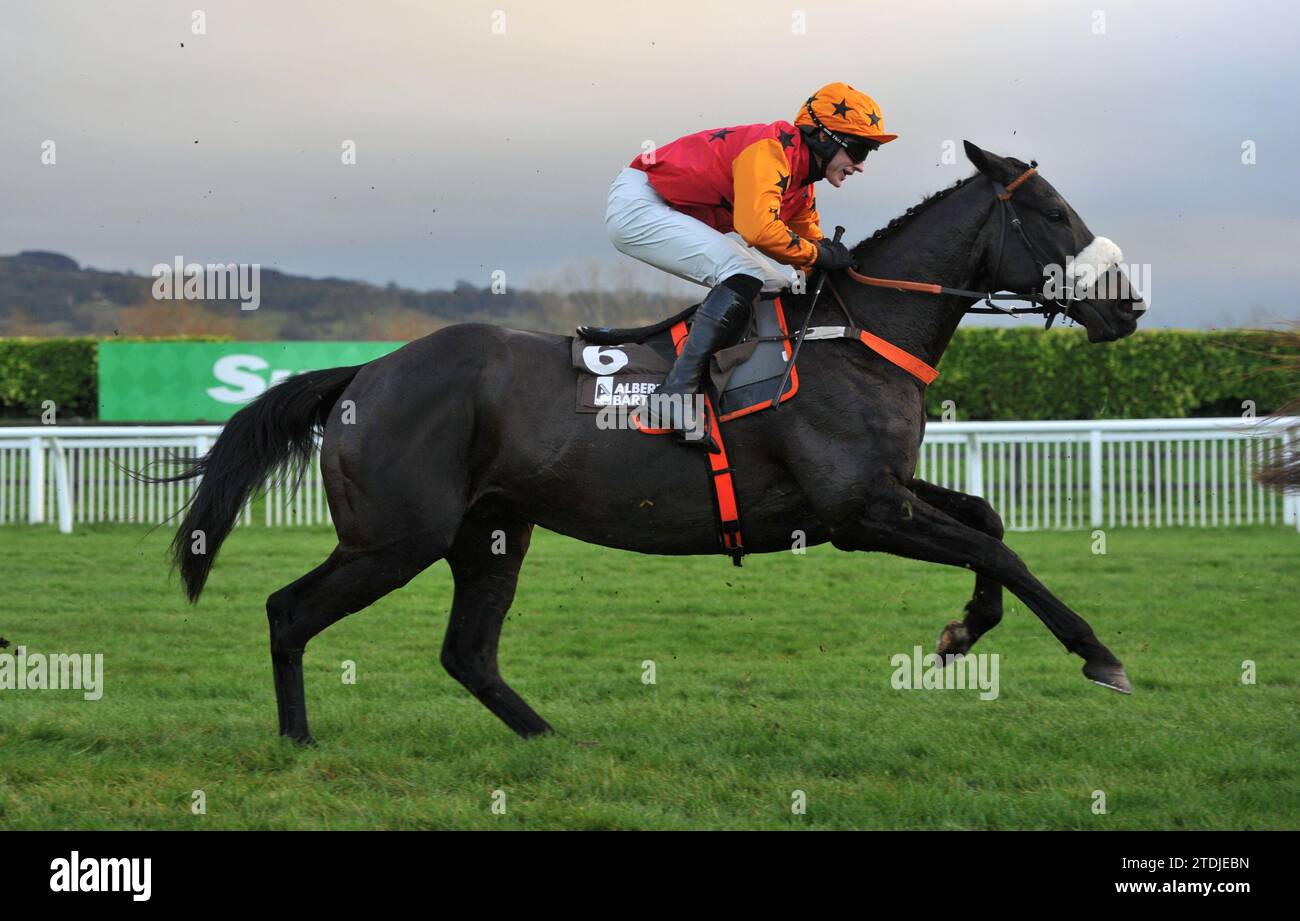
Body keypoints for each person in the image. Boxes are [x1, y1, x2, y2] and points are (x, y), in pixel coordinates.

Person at [604, 81, 897, 448]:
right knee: (743, 273)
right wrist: (818, 255)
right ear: (821, 137)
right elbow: (758, 230)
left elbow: (807, 249)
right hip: (641, 204)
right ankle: (674, 393)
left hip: (668, 207)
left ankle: (731, 380)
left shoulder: (801, 185)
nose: (860, 165)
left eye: (867, 151)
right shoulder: (770, 151)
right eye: (857, 149)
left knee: (777, 283)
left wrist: (835, 266)